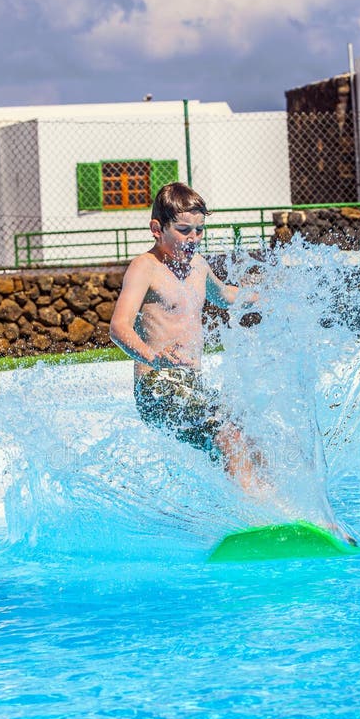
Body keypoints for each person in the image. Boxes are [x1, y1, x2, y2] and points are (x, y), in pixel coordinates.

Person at [109, 182, 263, 492]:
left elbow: (225, 298)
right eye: (183, 230)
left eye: (199, 230)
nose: (192, 239)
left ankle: (270, 499)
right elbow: (119, 327)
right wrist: (153, 357)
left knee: (250, 433)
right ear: (157, 228)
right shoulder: (145, 268)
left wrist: (263, 296)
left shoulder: (198, 267)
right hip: (158, 386)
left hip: (192, 385)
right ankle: (258, 511)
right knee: (228, 435)